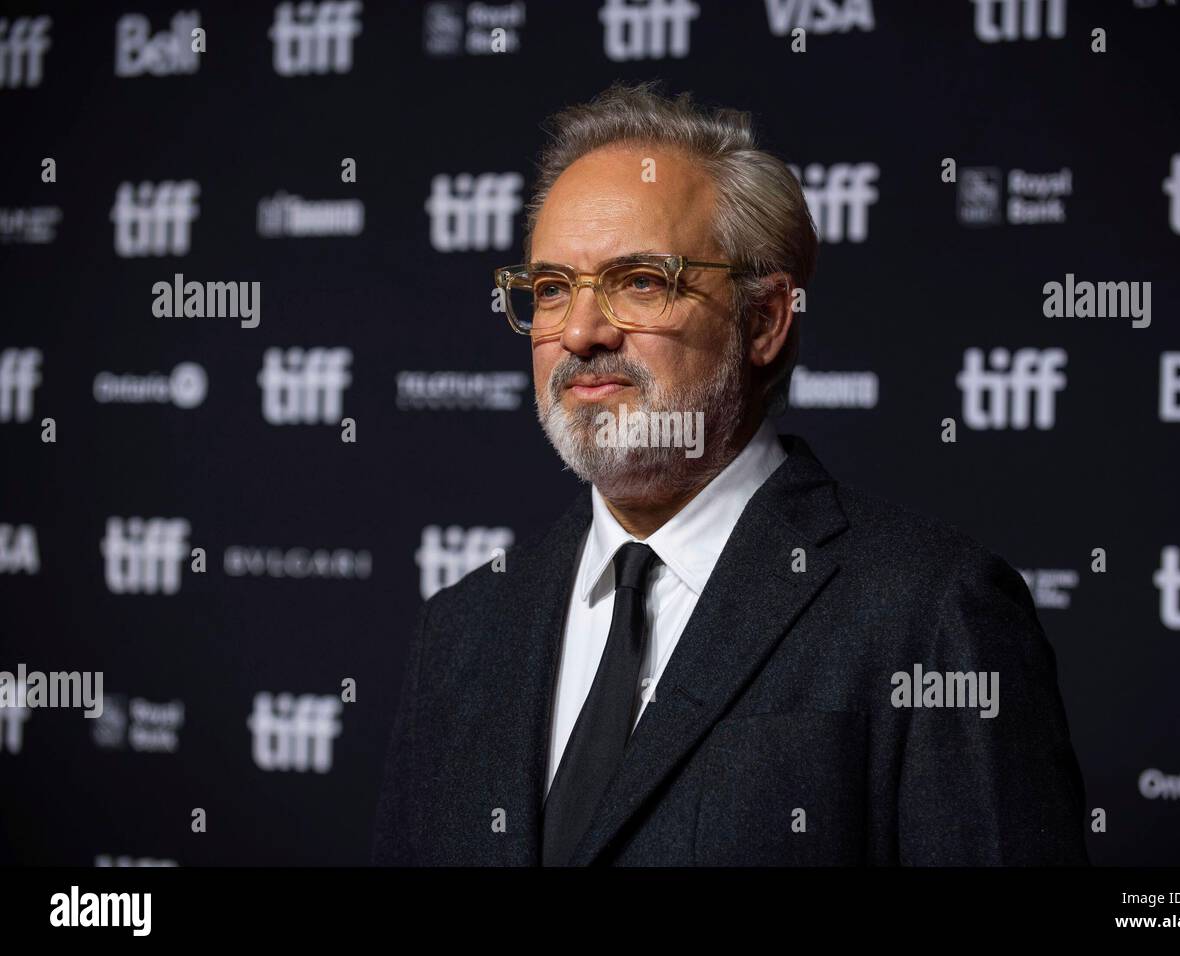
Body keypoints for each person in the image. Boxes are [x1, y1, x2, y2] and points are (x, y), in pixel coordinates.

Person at [373, 81, 1089, 866]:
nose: (579, 332)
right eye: (550, 290)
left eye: (640, 282)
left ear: (766, 319)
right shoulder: (462, 631)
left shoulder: (928, 613)